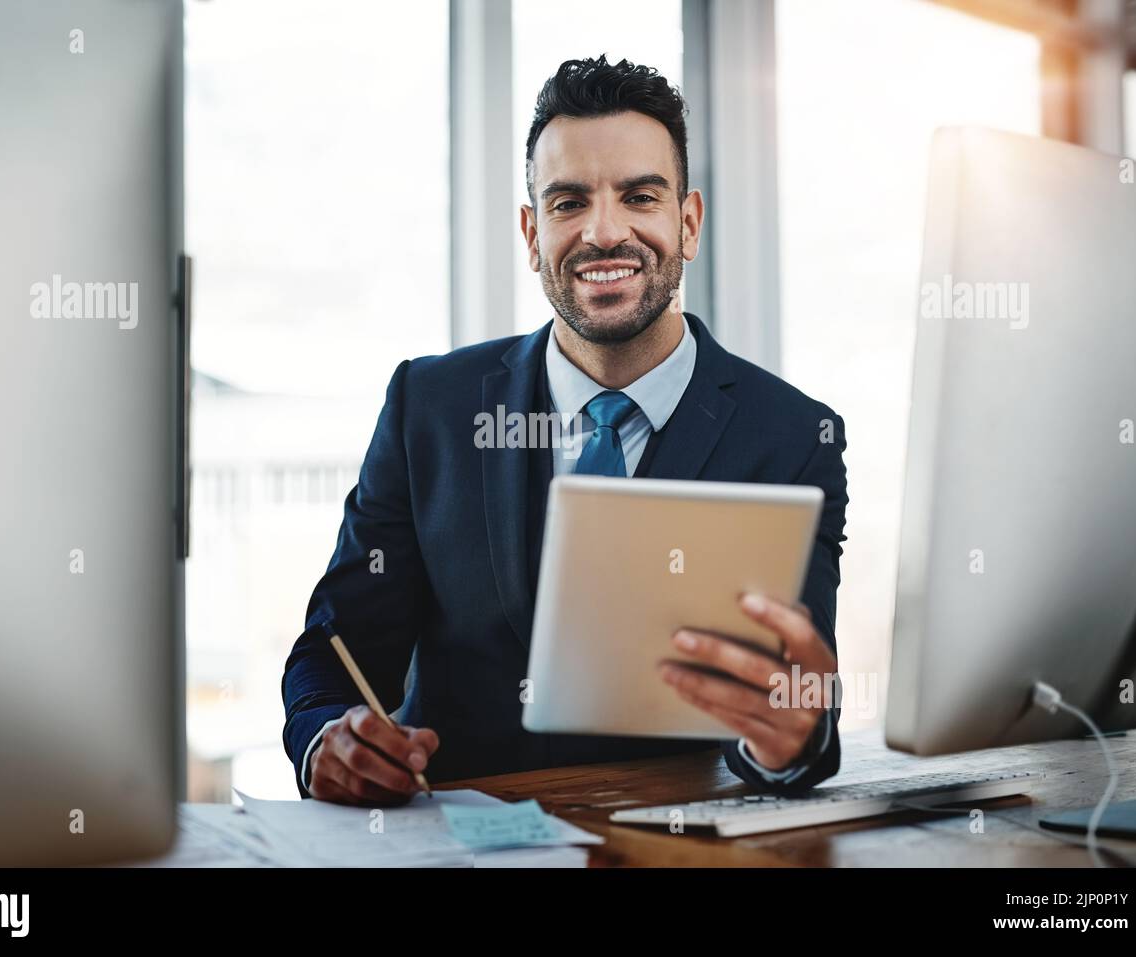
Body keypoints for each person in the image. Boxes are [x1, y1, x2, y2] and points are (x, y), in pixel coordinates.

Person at [282, 55, 848, 806]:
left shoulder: (794, 437)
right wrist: (329, 736)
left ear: (688, 223)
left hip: (677, 851)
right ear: (531, 232)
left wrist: (793, 736)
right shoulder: (431, 408)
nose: (603, 232)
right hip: (461, 850)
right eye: (568, 202)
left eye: (640, 196)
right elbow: (335, 651)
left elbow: (798, 701)